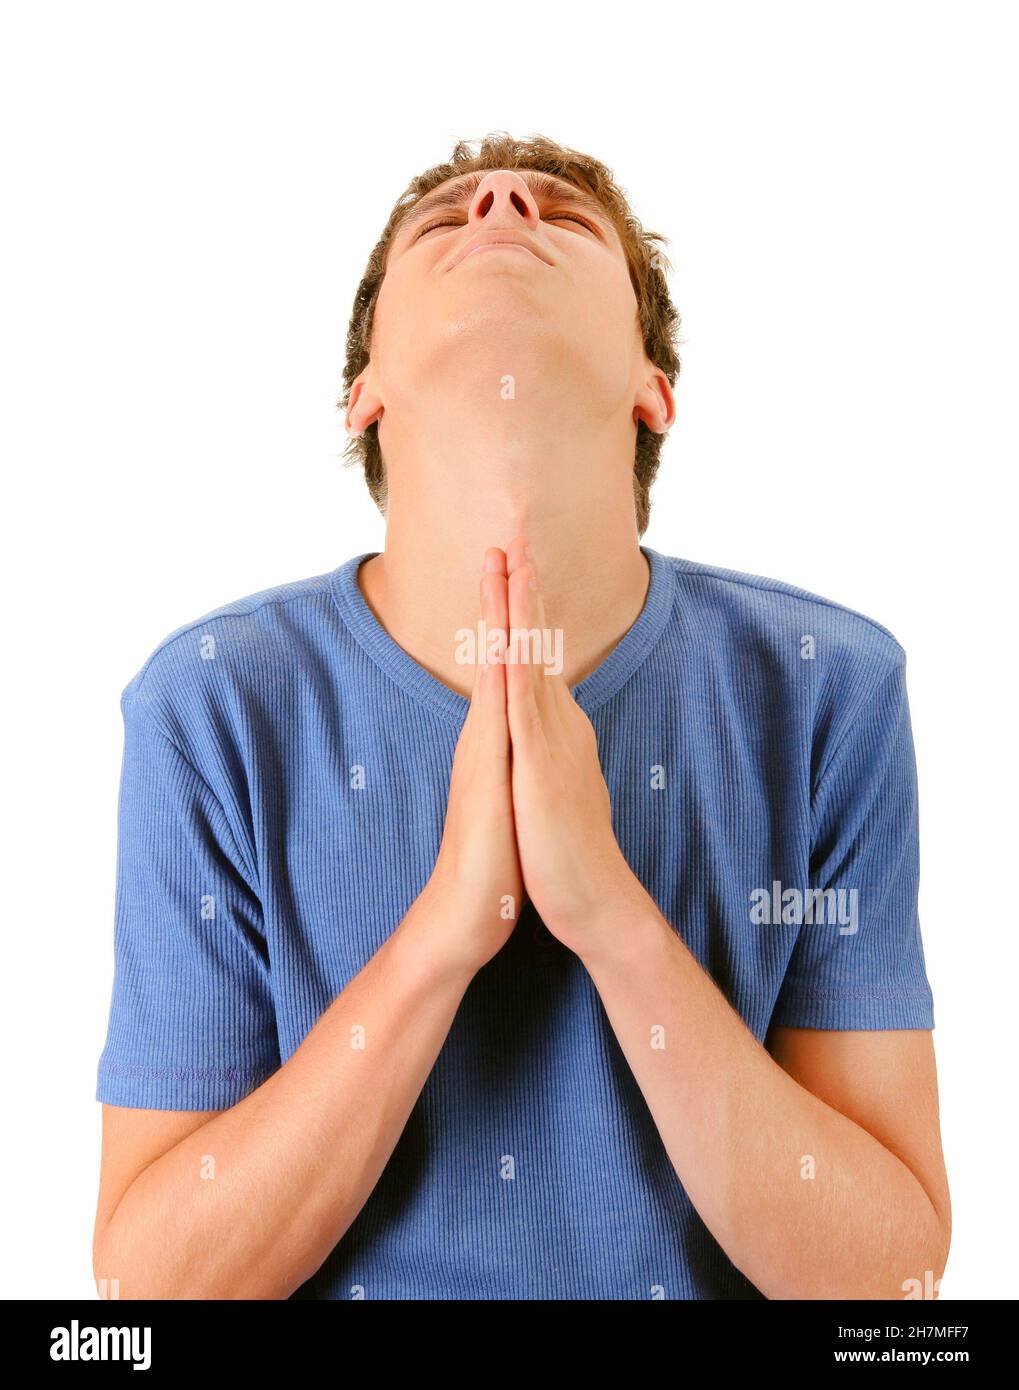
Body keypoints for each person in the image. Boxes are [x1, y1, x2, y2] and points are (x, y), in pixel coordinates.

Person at [93, 133, 950, 1300]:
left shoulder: (824, 691)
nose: (497, 202)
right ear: (366, 394)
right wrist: (447, 928)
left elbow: (888, 1280)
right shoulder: (210, 705)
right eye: (442, 221)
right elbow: (154, 1288)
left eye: (564, 216)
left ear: (653, 387)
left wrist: (606, 910)